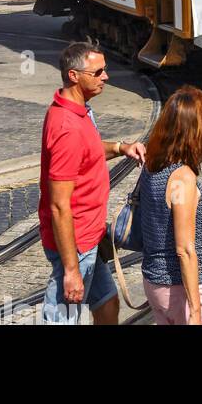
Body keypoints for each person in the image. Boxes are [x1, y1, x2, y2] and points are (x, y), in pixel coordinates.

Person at [39, 42, 145, 324]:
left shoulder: (77, 111)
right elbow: (59, 205)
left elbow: (88, 150)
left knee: (107, 304)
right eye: (98, 72)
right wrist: (71, 270)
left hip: (88, 238)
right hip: (75, 243)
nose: (106, 77)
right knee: (61, 318)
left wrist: (121, 147)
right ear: (74, 76)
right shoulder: (67, 128)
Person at [139, 84, 202, 324]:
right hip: (180, 289)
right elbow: (184, 250)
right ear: (194, 128)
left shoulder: (152, 166)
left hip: (156, 283)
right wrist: (195, 312)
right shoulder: (181, 178)